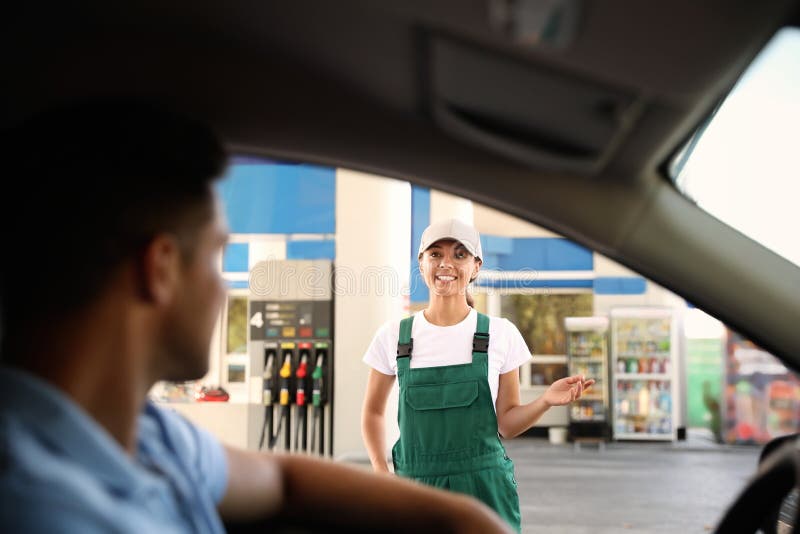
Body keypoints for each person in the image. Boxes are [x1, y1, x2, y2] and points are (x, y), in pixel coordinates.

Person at [0, 99, 514, 534]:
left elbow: (282, 477)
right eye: (216, 256)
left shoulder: (153, 436)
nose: (225, 288)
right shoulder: (43, 506)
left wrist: (466, 520)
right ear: (159, 269)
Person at [361, 218, 595, 532]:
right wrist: (380, 471)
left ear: (476, 267)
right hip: (415, 487)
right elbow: (373, 411)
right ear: (421, 264)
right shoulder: (395, 337)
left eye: (460, 255)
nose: (446, 263)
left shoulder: (500, 333)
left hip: (485, 488)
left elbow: (507, 424)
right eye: (435, 254)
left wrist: (545, 401)